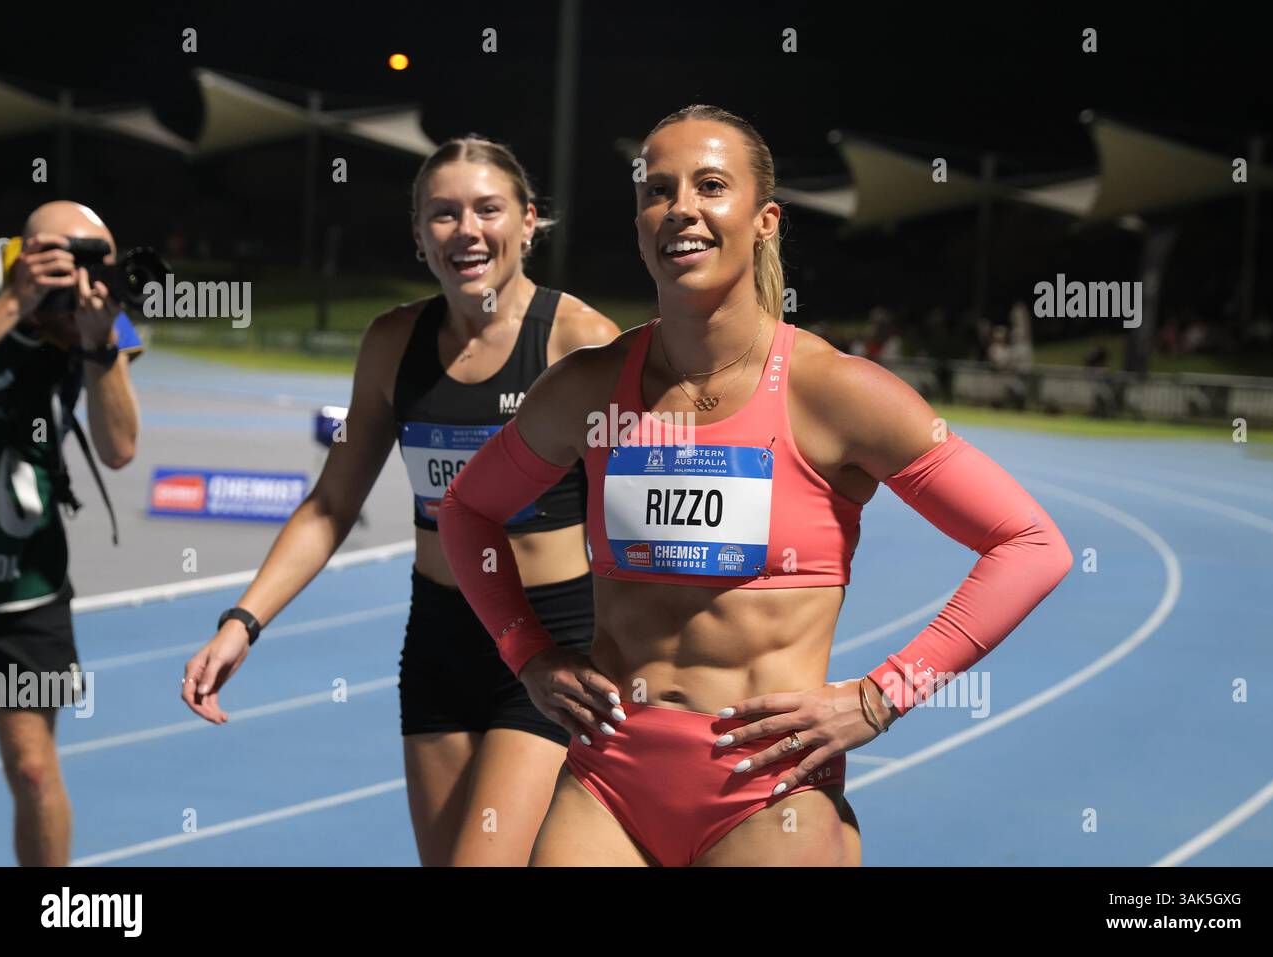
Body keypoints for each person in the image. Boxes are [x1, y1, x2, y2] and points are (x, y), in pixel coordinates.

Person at [437, 105, 1074, 866]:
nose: (682, 209)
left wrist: (881, 696)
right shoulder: (588, 388)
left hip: (768, 792)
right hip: (607, 779)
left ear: (765, 218)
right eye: (658, 190)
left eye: (711, 185)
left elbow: (1031, 543)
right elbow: (468, 508)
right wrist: (528, 653)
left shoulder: (835, 392)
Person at [181, 136, 619, 866]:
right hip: (439, 641)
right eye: (443, 215)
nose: (467, 231)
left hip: (552, 641)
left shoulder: (578, 339)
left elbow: (626, 526)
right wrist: (242, 622)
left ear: (529, 221)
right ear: (419, 235)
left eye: (488, 209)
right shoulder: (392, 343)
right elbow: (330, 504)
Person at [0, 201, 143, 866]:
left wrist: (99, 342)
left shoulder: (100, 316)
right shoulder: (1, 288)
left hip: (27, 583)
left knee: (32, 767)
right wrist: (12, 304)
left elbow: (119, 448)